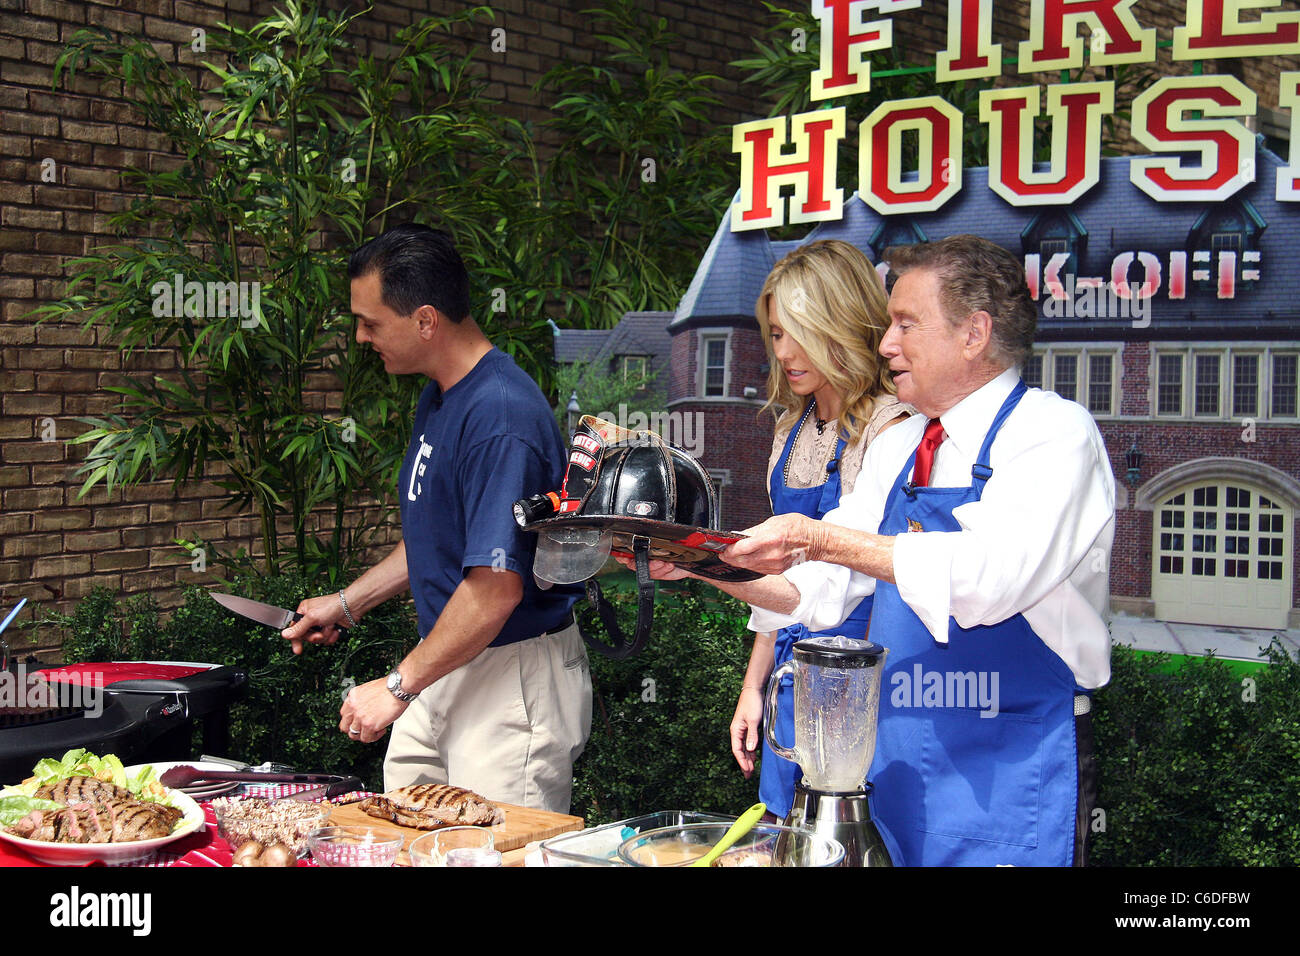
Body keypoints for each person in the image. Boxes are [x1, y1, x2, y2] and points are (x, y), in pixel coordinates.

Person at [642, 235, 1114, 866]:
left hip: (1007, 764)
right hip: (891, 765)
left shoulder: (1053, 434)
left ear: (974, 333)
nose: (886, 344)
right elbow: (818, 594)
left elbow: (987, 581)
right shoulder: (901, 445)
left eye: (906, 324)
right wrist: (696, 561)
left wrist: (817, 536)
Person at [281, 224, 592, 812]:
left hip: (511, 678)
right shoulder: (442, 393)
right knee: (404, 838)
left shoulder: (501, 417)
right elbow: (439, 540)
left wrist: (397, 687)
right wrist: (345, 604)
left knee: (496, 855)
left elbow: (495, 589)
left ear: (425, 321)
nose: (360, 336)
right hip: (446, 657)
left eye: (370, 322)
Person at [730, 240, 910, 821]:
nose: (784, 351)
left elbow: (833, 585)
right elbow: (781, 581)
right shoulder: (791, 427)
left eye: (800, 331)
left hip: (859, 675)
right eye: (777, 334)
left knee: (843, 830)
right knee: (785, 825)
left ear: (847, 324)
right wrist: (753, 685)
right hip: (791, 667)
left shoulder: (890, 427)